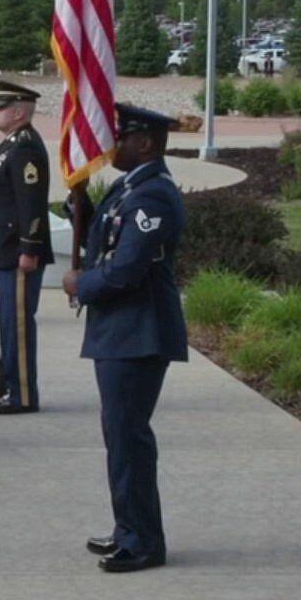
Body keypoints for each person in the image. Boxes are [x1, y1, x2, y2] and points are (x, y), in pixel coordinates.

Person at [61, 103, 189, 574]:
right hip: (121, 330)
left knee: (128, 437)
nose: (111, 144)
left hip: (138, 332)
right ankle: (127, 527)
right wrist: (83, 207)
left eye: (122, 136)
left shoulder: (153, 196)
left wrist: (81, 284)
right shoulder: (130, 187)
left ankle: (143, 541)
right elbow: (112, 236)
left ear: (146, 143)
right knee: (119, 435)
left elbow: (127, 270)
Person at [0, 80, 53, 416]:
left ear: (20, 112)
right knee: (9, 325)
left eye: (2, 107)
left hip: (20, 252)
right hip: (8, 250)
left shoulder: (25, 148)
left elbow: (31, 204)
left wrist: (30, 246)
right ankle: (12, 384)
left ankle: (23, 394)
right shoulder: (11, 144)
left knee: (19, 326)